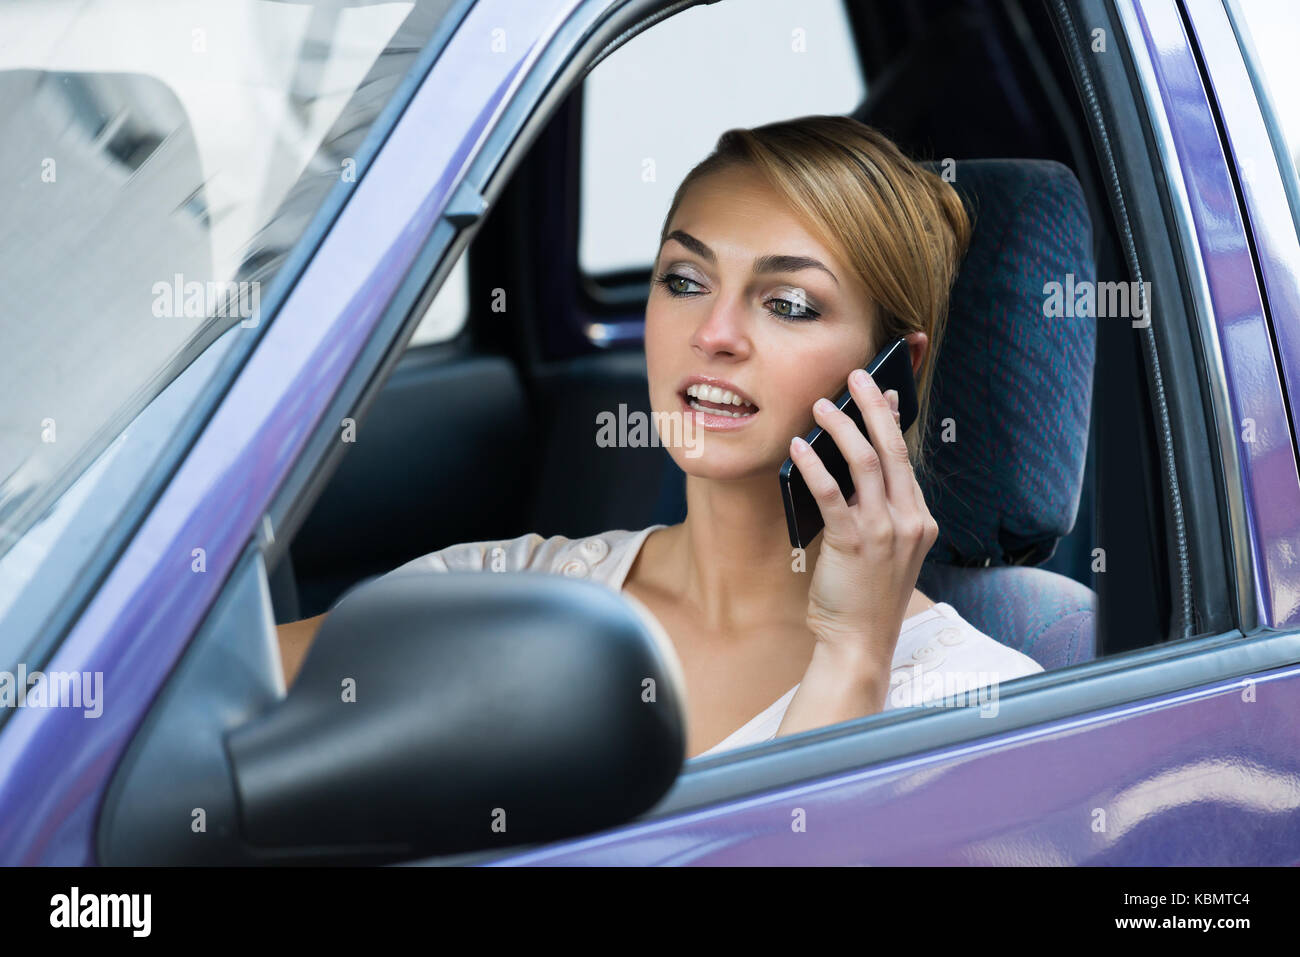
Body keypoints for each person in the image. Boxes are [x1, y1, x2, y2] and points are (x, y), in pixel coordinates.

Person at [275, 114, 1043, 759]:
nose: (713, 333)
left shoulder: (990, 709)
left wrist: (853, 655)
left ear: (891, 371)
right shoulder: (503, 589)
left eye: (787, 303)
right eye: (684, 280)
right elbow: (184, 706)